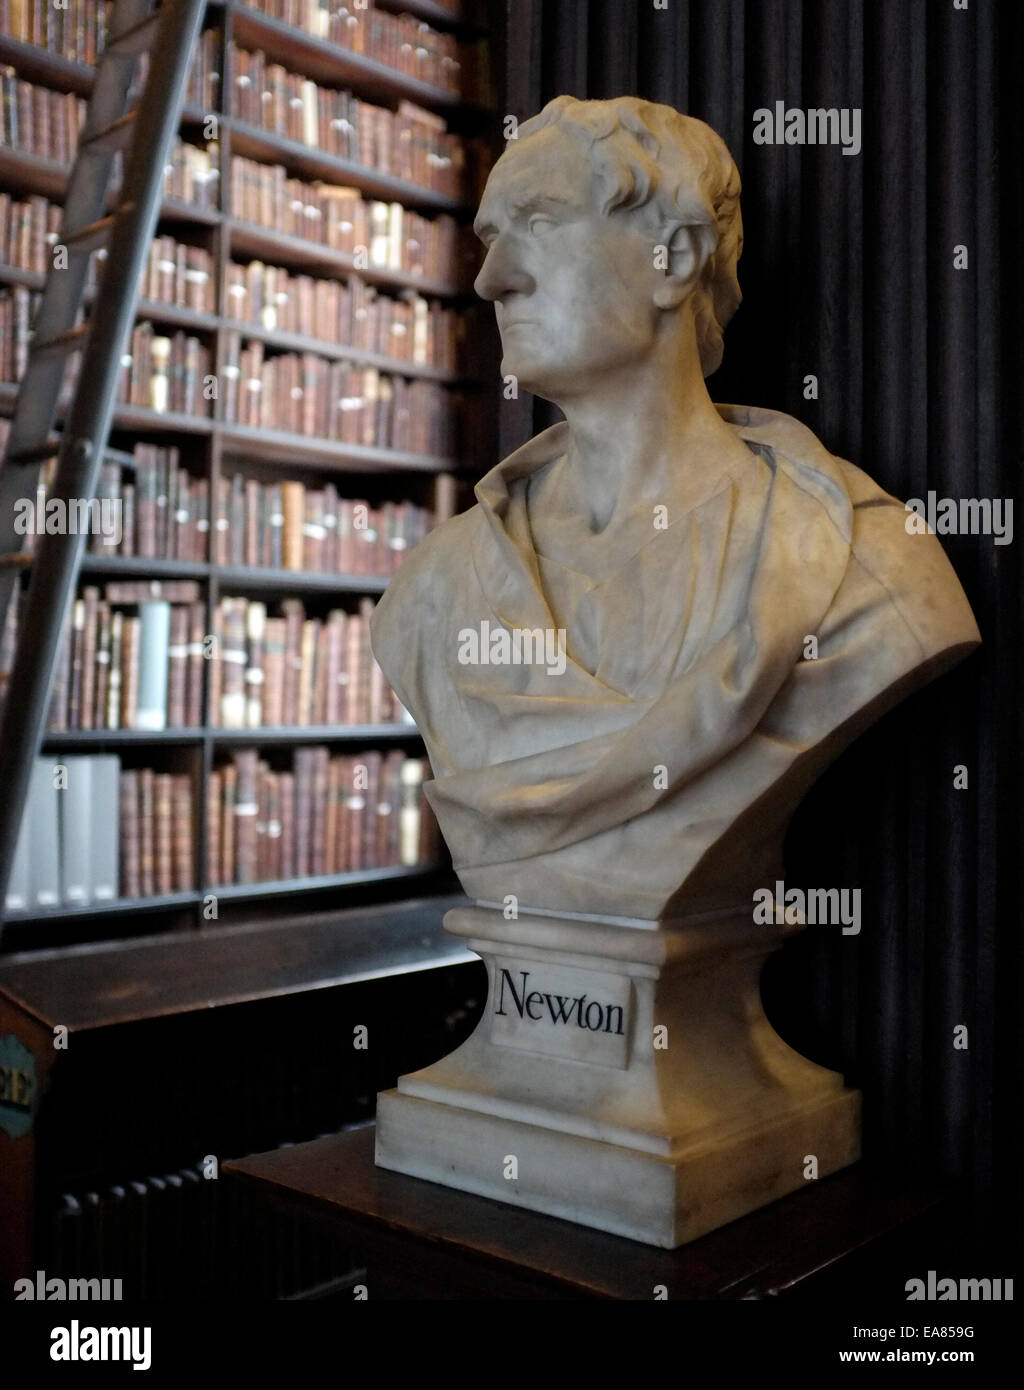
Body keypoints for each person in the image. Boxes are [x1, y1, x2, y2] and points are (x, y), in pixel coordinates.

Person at [370, 96, 980, 922]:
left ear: (675, 255)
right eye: (487, 239)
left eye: (539, 223)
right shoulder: (433, 595)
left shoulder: (869, 572)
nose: (491, 279)